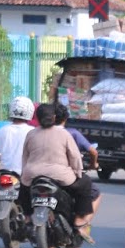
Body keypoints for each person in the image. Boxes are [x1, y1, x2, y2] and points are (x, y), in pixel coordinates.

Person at [20, 101, 100, 240]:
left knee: (23, 189)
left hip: (33, 174)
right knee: (85, 183)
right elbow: (74, 156)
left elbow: (25, 157)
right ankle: (80, 219)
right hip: (60, 176)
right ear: (54, 117)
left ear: (37, 118)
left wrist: (25, 173)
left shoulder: (31, 134)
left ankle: (27, 216)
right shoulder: (64, 133)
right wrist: (78, 172)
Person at [0, 94, 35, 176]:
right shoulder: (32, 132)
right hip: (24, 175)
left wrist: (5, 159)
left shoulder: (2, 130)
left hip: (5, 174)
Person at [54, 103, 99, 171]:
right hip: (64, 173)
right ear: (66, 118)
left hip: (40, 171)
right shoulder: (73, 133)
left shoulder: (40, 132)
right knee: (86, 180)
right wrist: (93, 165)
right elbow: (93, 152)